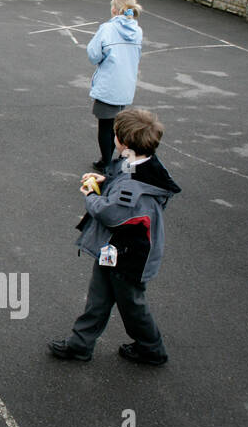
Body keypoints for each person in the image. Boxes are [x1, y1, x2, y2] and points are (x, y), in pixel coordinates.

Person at [48, 108, 180, 366]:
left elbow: (112, 214)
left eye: (115, 135)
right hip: (114, 250)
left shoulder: (132, 187)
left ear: (125, 142)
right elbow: (121, 182)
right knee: (99, 296)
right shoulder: (139, 162)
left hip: (130, 256)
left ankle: (152, 348)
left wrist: (92, 195)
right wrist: (105, 181)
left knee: (132, 304)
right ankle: (80, 344)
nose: (113, 138)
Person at [88, 0, 144, 173]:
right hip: (126, 85)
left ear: (114, 9)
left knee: (106, 125)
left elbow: (93, 54)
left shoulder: (107, 29)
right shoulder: (137, 30)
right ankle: (127, 164)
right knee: (120, 126)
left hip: (109, 84)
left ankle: (106, 163)